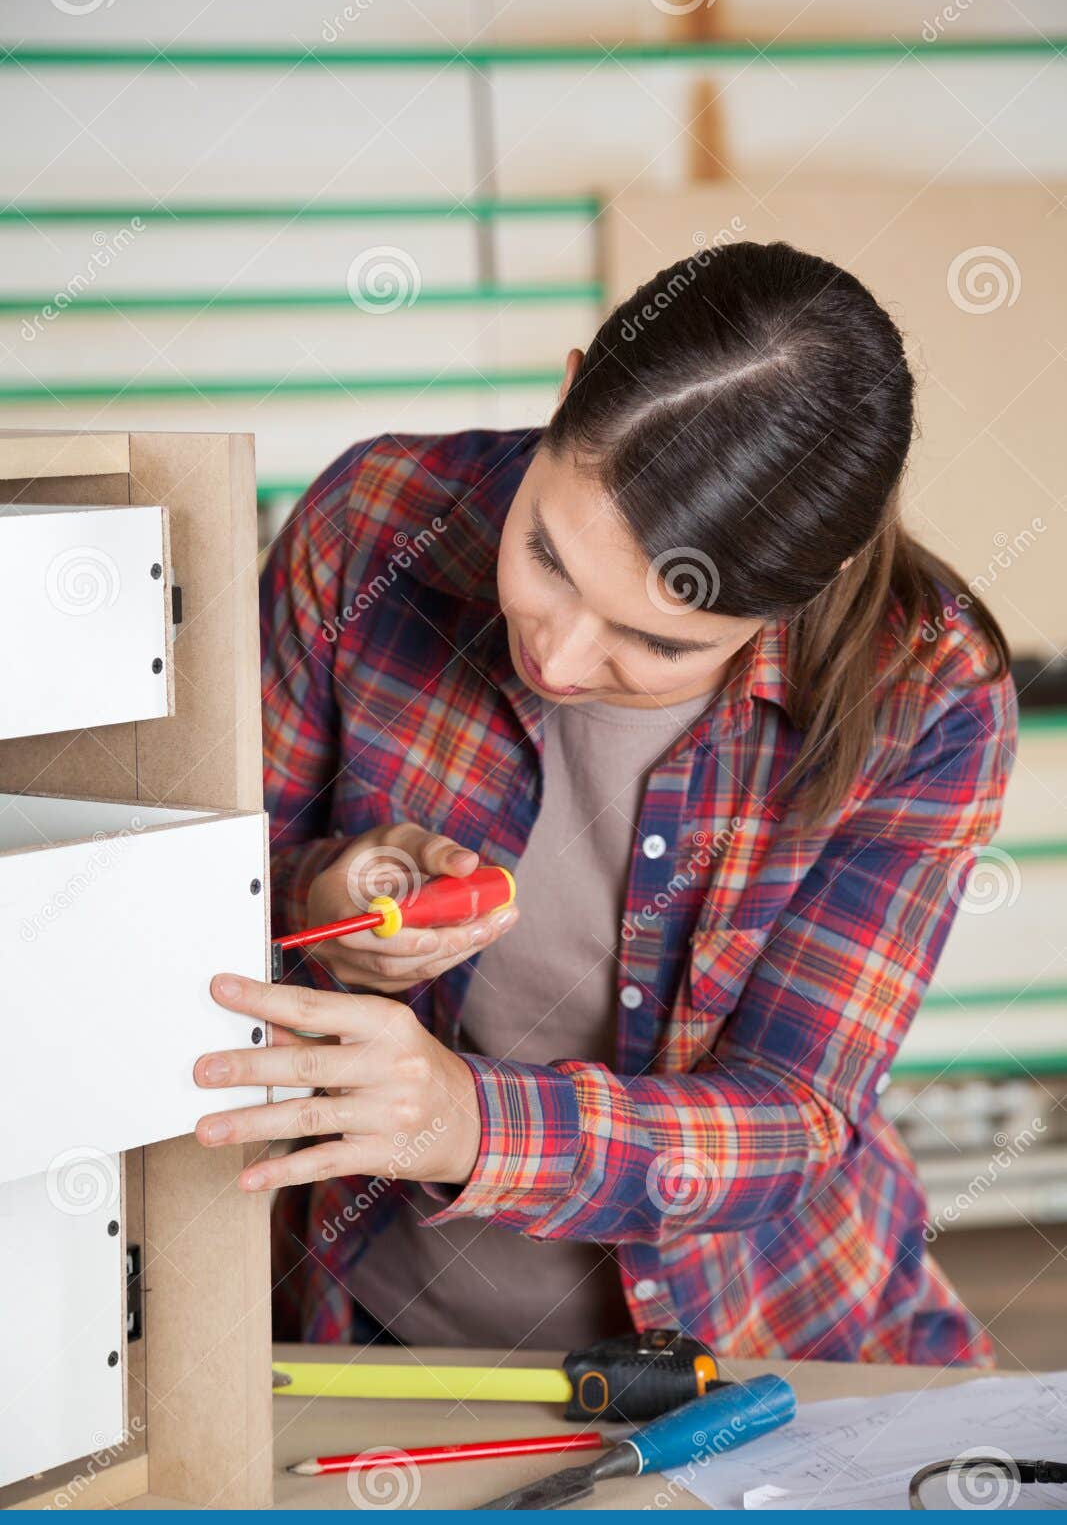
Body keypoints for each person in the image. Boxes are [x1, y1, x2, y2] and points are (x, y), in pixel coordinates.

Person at [194, 239, 1016, 1365]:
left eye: (656, 639)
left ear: (798, 593)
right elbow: (201, 898)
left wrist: (464, 1119)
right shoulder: (367, 529)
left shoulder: (924, 686)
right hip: (376, 1332)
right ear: (571, 383)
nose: (562, 658)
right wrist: (319, 896)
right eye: (547, 557)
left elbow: (797, 1114)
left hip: (769, 1347)